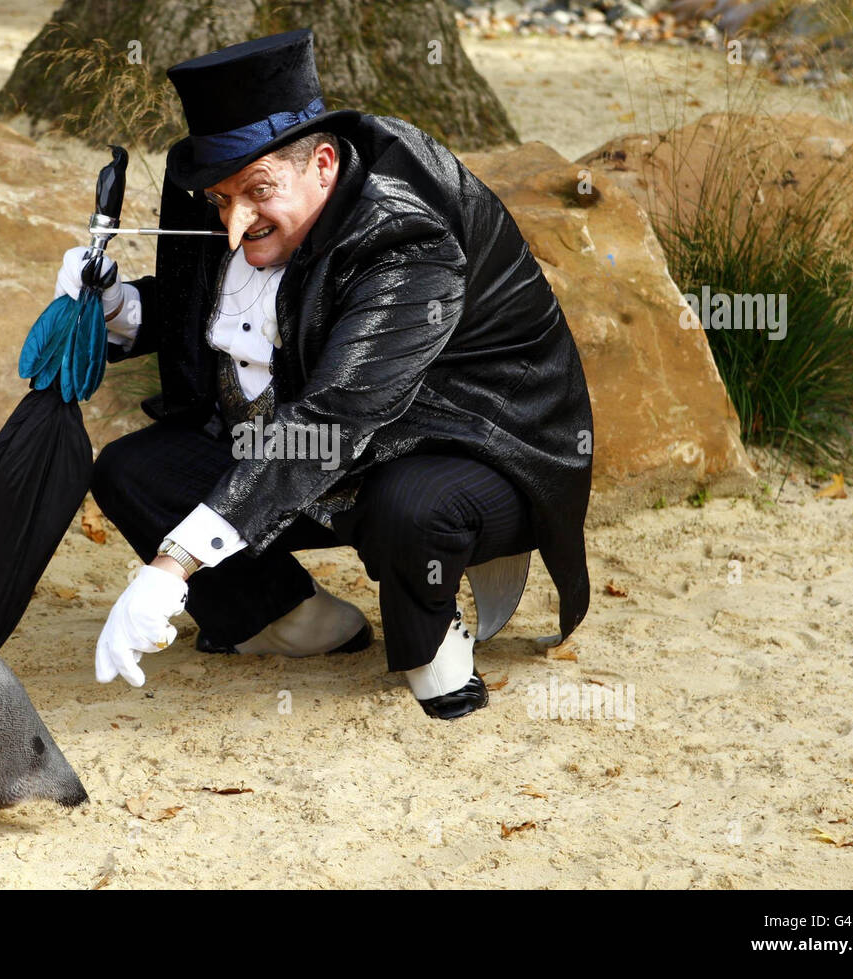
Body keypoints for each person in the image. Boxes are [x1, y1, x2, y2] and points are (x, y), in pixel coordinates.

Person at [63, 29, 593, 719]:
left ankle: (429, 642)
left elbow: (334, 418)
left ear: (320, 163)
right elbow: (218, 309)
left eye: (256, 192)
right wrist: (115, 303)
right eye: (222, 200)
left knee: (411, 506)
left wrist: (173, 566)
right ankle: (288, 618)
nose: (234, 225)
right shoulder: (239, 207)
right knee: (136, 470)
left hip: (470, 445)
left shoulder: (406, 235)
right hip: (309, 447)